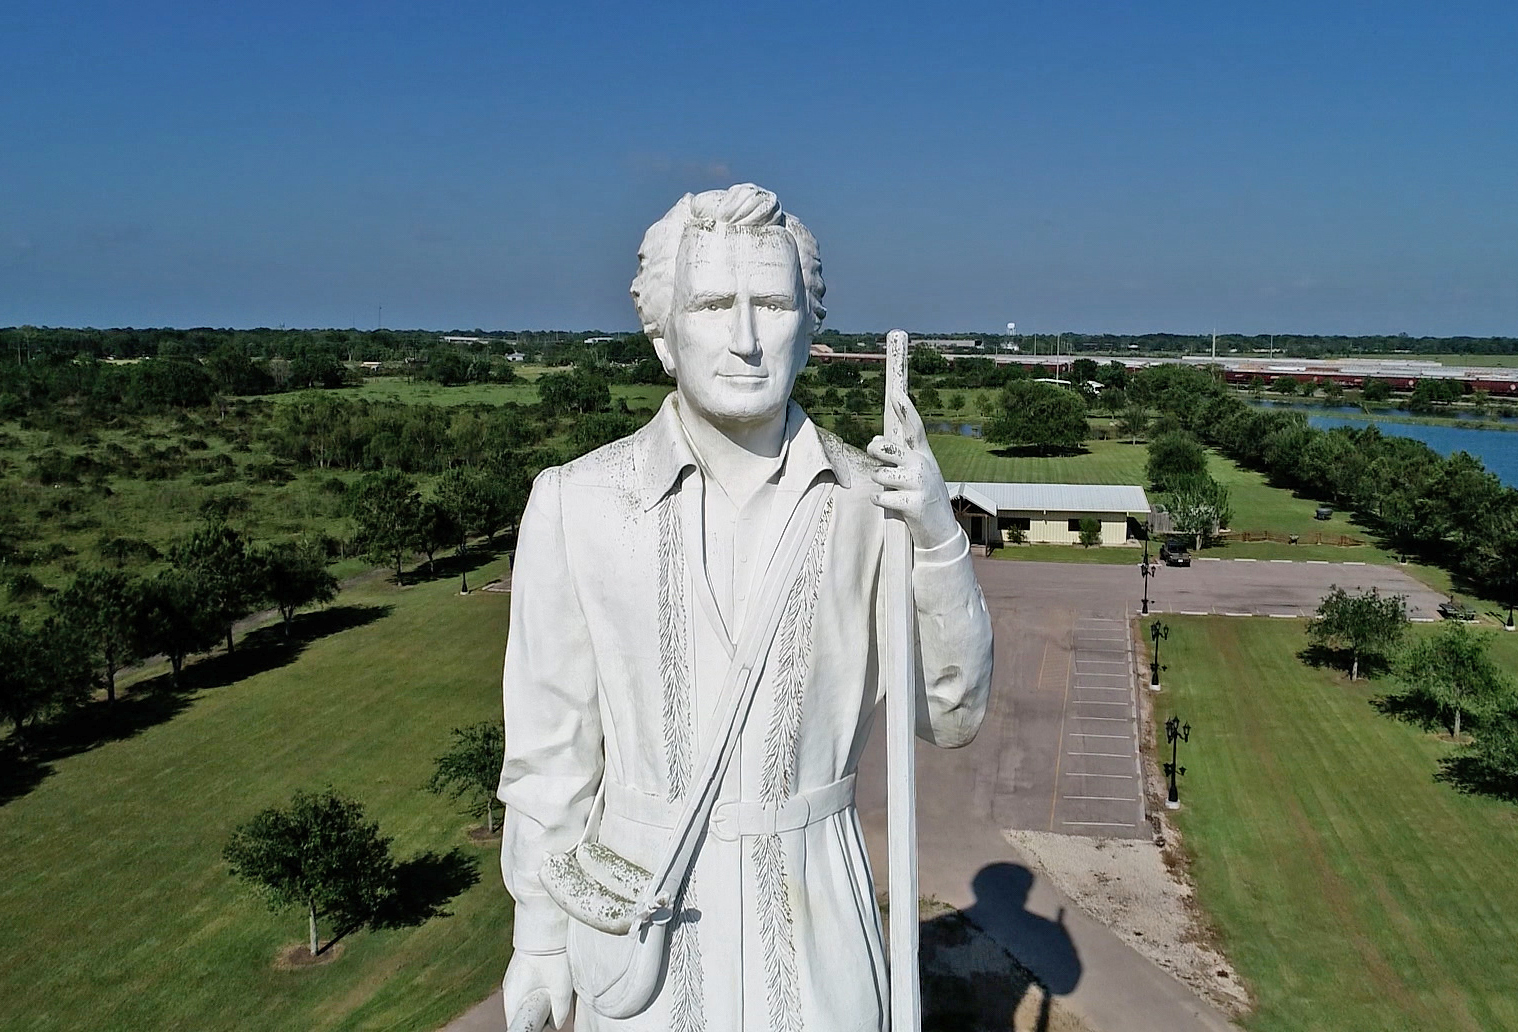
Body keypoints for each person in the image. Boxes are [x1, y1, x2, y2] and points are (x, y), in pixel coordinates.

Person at [499, 183, 994, 1031]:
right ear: (661, 330)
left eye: (770, 303)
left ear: (810, 327)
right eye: (711, 304)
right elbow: (551, 755)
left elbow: (949, 718)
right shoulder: (575, 504)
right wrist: (540, 936)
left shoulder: (873, 506)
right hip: (641, 928)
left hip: (818, 928)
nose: (743, 338)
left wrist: (940, 539)